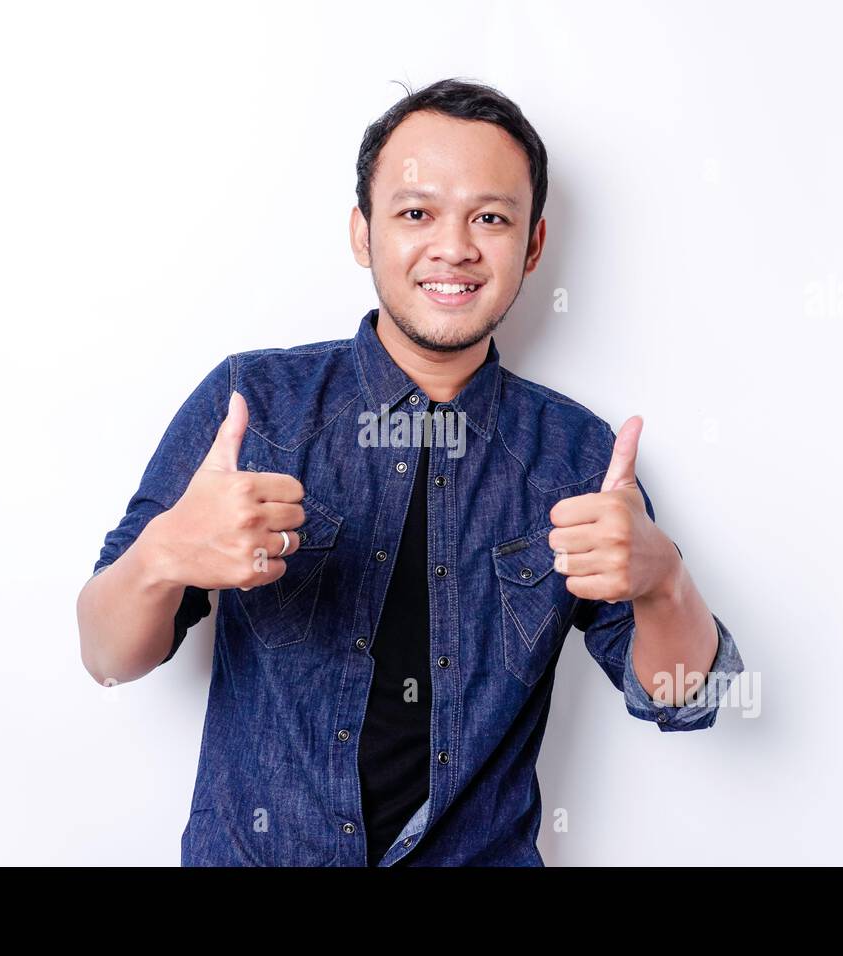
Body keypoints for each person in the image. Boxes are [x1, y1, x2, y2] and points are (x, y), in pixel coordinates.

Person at [76, 77, 746, 866]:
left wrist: (664, 579)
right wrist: (161, 556)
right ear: (363, 232)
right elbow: (107, 655)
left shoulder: (579, 457)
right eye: (416, 212)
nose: (454, 246)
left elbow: (685, 701)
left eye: (490, 217)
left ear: (533, 246)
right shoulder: (250, 406)